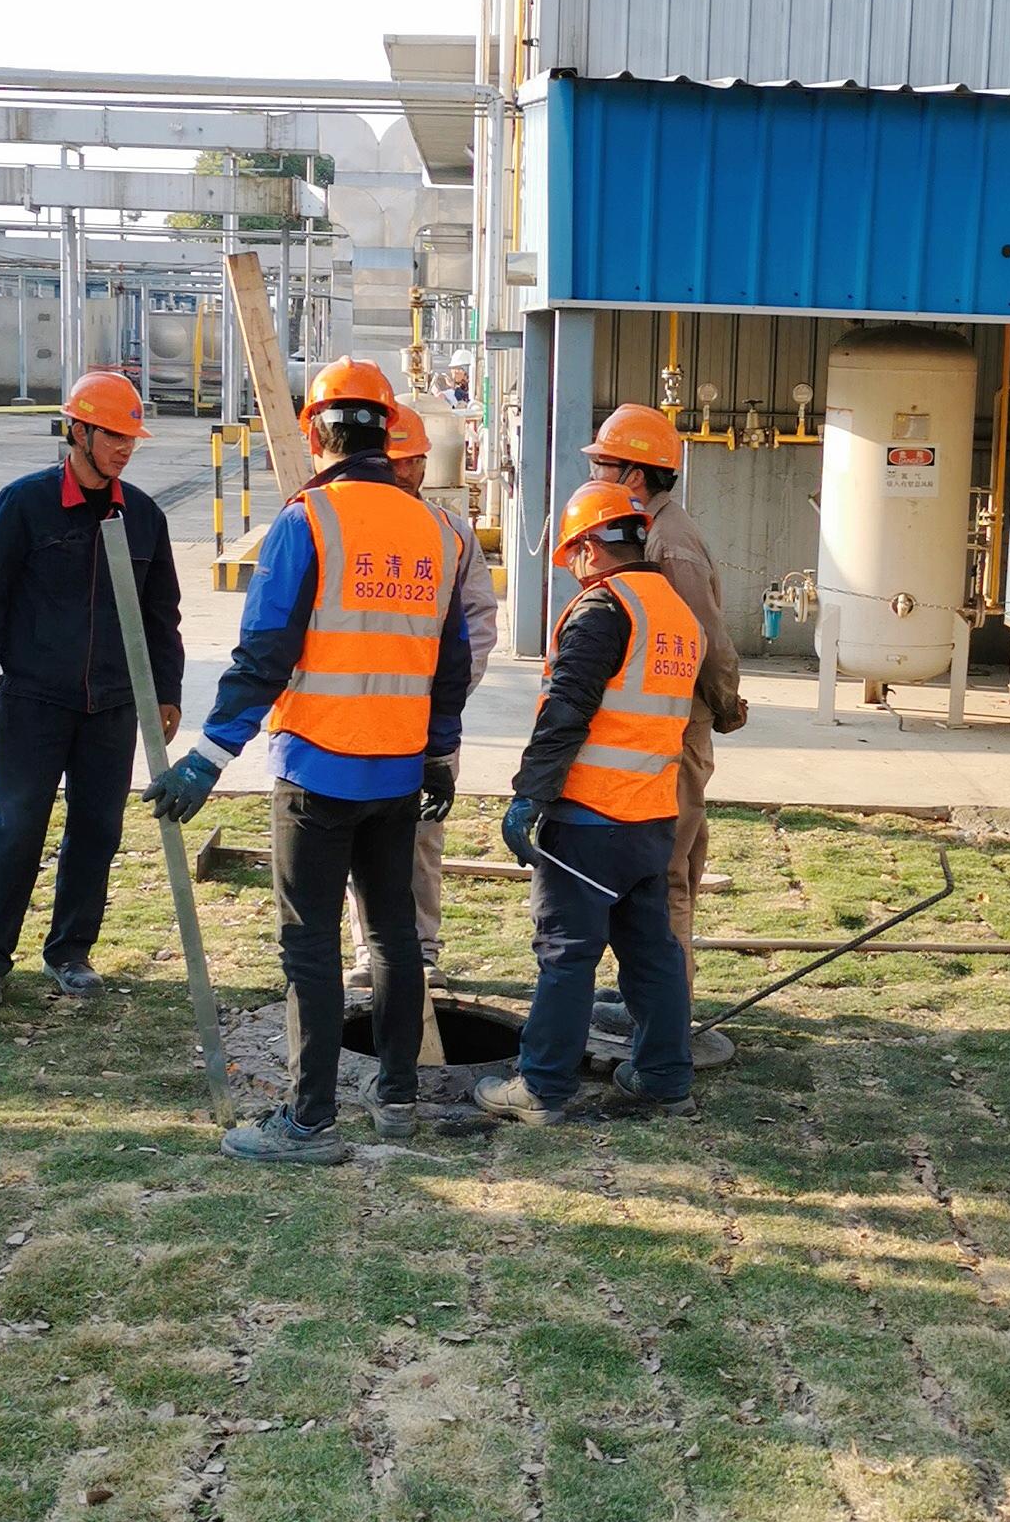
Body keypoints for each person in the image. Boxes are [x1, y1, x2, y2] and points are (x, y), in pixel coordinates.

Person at [144, 358, 472, 1163]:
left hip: (317, 774)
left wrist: (209, 757)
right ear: (384, 432)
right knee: (393, 936)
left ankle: (310, 1121)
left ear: (316, 432)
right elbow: (450, 663)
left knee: (313, 947)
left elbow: (264, 654)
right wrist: (437, 758)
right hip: (398, 776)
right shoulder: (438, 532)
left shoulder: (307, 522)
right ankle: (397, 1097)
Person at [0, 368, 182, 1014]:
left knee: (97, 829)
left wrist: (166, 691)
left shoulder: (143, 517)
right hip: (35, 699)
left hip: (111, 705)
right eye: (112, 436)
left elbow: (162, 614)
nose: (124, 448)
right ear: (78, 432)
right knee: (15, 826)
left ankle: (71, 952)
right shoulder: (25, 505)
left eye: (130, 438)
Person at [474, 481, 703, 1128]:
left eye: (573, 555)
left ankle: (542, 1087)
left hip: (589, 818)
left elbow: (567, 710)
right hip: (652, 816)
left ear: (591, 547)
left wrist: (530, 796)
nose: (572, 569)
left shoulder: (604, 609)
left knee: (567, 953)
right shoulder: (675, 614)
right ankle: (664, 1078)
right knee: (651, 952)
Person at [579, 402, 747, 991]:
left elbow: (707, 639)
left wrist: (724, 705)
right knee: (660, 868)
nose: (594, 474)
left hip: (675, 732)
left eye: (603, 465)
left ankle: (665, 1008)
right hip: (659, 733)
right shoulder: (644, 528)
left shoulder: (667, 543)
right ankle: (654, 1001)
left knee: (665, 873)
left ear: (636, 474)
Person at [346, 400, 498, 992]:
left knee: (421, 836)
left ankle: (423, 948)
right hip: (357, 715)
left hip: (427, 720)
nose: (408, 472)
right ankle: (368, 950)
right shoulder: (349, 527)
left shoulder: (450, 534)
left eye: (416, 461)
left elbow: (478, 621)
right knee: (357, 834)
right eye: (398, 460)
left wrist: (447, 698)